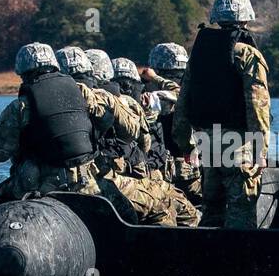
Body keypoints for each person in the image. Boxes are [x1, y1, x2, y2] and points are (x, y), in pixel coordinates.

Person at [55, 46, 190, 227]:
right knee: (170, 205)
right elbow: (144, 140)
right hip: (116, 179)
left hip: (69, 181)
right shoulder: (131, 101)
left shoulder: (51, 102)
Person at [172, 0, 270, 229]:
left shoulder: (199, 54)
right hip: (239, 145)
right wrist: (261, 149)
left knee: (211, 212)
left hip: (208, 144)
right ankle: (238, 264)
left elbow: (183, 103)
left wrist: (185, 145)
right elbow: (258, 105)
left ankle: (206, 262)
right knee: (241, 212)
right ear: (246, 19)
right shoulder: (247, 54)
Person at [0, 43, 106, 204]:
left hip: (47, 183)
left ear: (23, 72)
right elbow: (106, 120)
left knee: (1, 200)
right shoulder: (82, 92)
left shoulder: (20, 107)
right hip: (89, 180)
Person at [114, 56, 199, 226]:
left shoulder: (105, 103)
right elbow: (180, 93)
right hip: (154, 176)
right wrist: (154, 78)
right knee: (190, 216)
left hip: (126, 178)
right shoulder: (150, 100)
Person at [140, 42, 199, 202]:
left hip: (166, 174)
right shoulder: (197, 92)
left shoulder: (152, 96)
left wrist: (154, 79)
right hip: (190, 173)